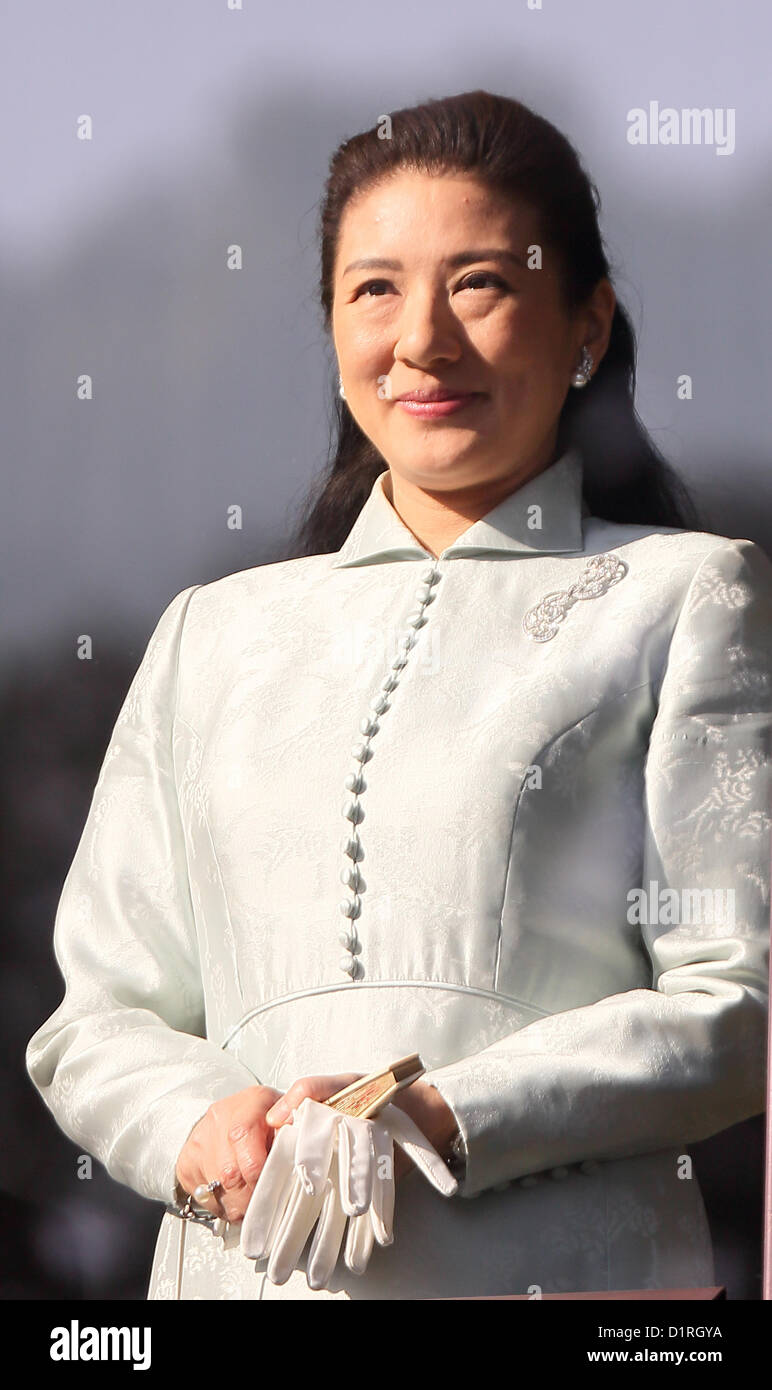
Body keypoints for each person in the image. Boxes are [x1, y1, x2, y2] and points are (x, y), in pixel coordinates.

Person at [26, 90, 771, 1300]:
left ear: (585, 326)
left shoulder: (683, 597)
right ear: (329, 323)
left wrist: (430, 1111)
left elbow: (740, 1002)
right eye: (373, 288)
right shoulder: (211, 634)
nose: (420, 340)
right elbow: (96, 1016)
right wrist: (204, 1127)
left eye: (478, 283)